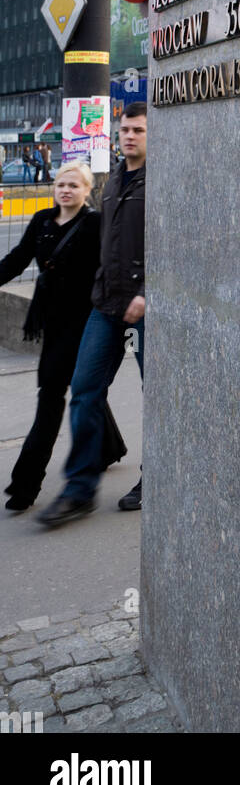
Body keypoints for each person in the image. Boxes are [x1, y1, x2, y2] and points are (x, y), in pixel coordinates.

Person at [38, 103, 147, 528]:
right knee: (84, 390)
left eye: (138, 130)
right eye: (125, 130)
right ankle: (79, 489)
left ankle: (154, 477)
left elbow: (178, 242)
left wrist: (146, 293)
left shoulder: (162, 179)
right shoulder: (113, 179)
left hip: (143, 307)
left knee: (154, 400)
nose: (130, 137)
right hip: (106, 305)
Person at [0, 162, 103, 510]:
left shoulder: (94, 224)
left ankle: (24, 485)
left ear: (87, 190)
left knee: (54, 395)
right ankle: (110, 447)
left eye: (74, 185)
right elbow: (17, 259)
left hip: (87, 322)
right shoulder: (42, 220)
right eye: (61, 183)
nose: (66, 190)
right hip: (51, 321)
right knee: (79, 390)